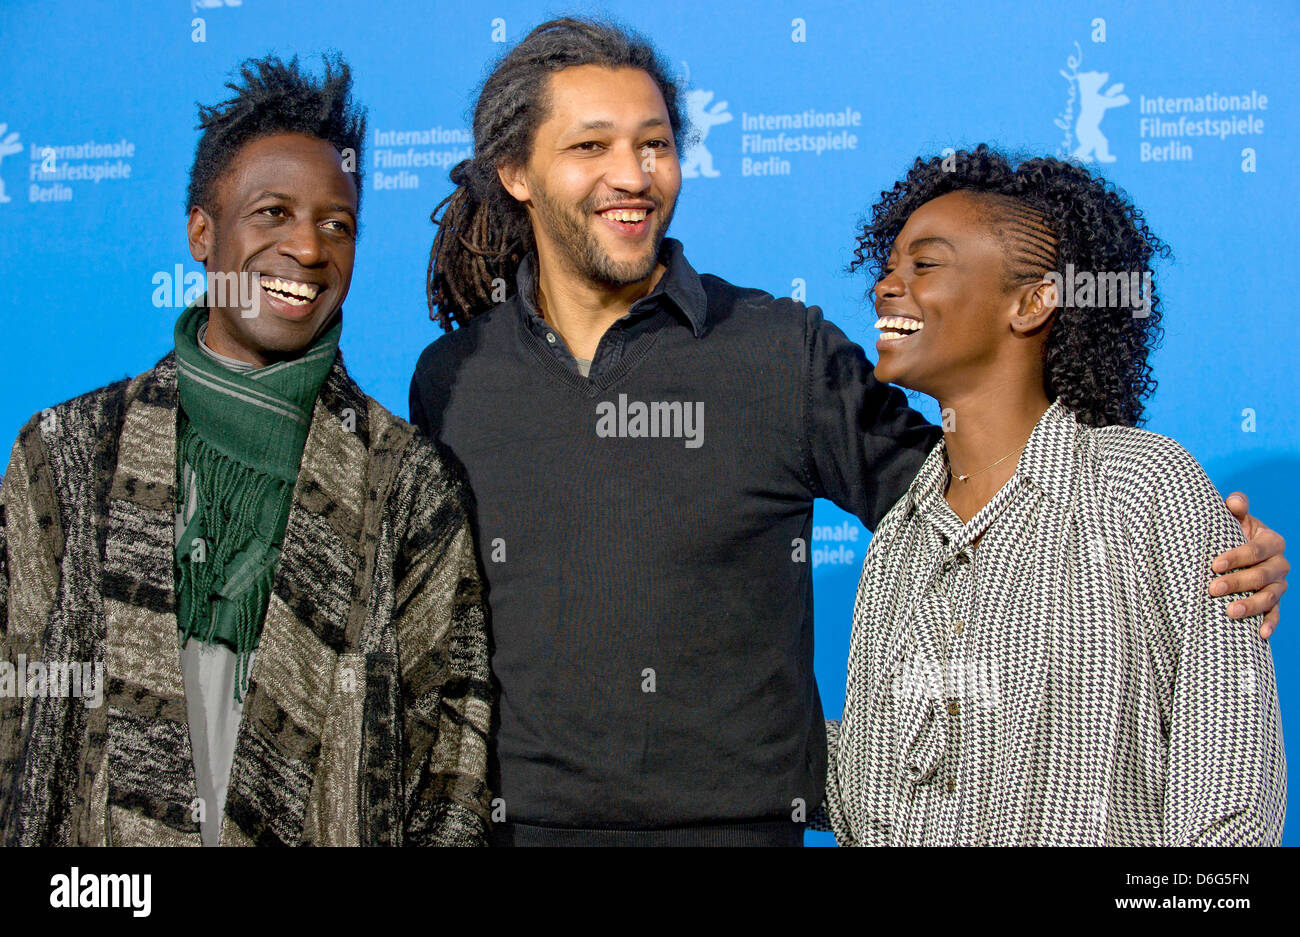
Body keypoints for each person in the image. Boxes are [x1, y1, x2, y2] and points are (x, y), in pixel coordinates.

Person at [410, 17, 1287, 845]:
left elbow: (988, 492)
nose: (633, 174)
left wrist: (1201, 559)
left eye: (655, 144)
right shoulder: (452, 382)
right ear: (515, 172)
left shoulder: (779, 352)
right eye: (591, 146)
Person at [0, 54, 493, 846]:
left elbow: (453, 766)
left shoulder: (407, 483)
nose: (308, 248)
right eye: (272, 213)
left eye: (337, 224)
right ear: (202, 231)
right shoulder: (65, 455)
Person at [820, 146, 1286, 846]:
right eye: (888, 268)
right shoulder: (899, 540)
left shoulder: (1145, 490)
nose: (886, 287)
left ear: (1032, 301)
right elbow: (869, 790)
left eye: (925, 265)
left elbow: (1229, 806)